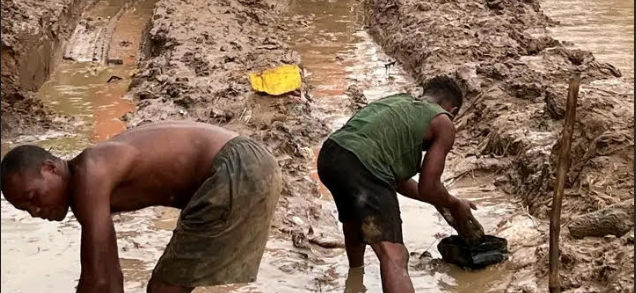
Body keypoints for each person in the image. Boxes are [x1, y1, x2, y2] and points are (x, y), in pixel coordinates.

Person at [0, 122, 281, 292]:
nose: (35, 211)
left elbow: (97, 279)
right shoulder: (91, 183)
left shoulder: (89, 174)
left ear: (50, 168)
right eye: (25, 209)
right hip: (245, 164)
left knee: (164, 289)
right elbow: (109, 277)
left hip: (237, 167)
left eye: (33, 196)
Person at [317, 77, 480, 293]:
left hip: (331, 156)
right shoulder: (443, 122)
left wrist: (442, 203)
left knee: (355, 225)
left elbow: (396, 180)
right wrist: (455, 204)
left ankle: (354, 282)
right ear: (453, 110)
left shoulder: (397, 102)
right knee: (394, 255)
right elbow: (429, 187)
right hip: (364, 166)